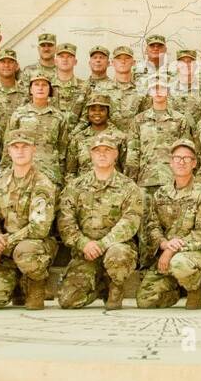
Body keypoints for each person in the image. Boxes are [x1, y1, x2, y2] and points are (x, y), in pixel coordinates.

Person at [56, 132, 144, 309]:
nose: (102, 154)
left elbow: (130, 222)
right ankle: (101, 284)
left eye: (107, 150)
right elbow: (65, 222)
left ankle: (115, 286)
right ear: (91, 154)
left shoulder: (128, 187)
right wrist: (84, 244)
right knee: (68, 301)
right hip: (86, 251)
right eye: (97, 151)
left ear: (116, 154)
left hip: (115, 248)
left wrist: (103, 244)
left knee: (118, 254)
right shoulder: (76, 186)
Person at [137, 139, 201, 309]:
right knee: (146, 300)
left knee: (179, 263)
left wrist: (171, 250)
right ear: (170, 162)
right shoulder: (161, 193)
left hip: (197, 252)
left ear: (194, 163)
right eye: (177, 158)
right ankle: (181, 288)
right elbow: (152, 226)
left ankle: (194, 288)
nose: (181, 162)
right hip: (168, 251)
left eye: (186, 158)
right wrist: (163, 243)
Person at [0, 130, 58, 310]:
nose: (20, 151)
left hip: (36, 245)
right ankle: (17, 284)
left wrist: (5, 243)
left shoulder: (42, 183)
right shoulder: (0, 182)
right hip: (7, 250)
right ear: (9, 151)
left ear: (33, 150)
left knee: (25, 250)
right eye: (15, 147)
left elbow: (39, 228)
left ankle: (36, 283)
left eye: (25, 147)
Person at [4, 72, 72, 184]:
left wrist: (62, 174)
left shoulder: (59, 117)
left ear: (50, 90)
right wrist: (6, 171)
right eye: (36, 84)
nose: (40, 88)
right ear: (30, 89)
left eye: (44, 85)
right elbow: (8, 144)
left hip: (50, 172)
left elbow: (63, 149)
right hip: (23, 171)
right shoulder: (19, 114)